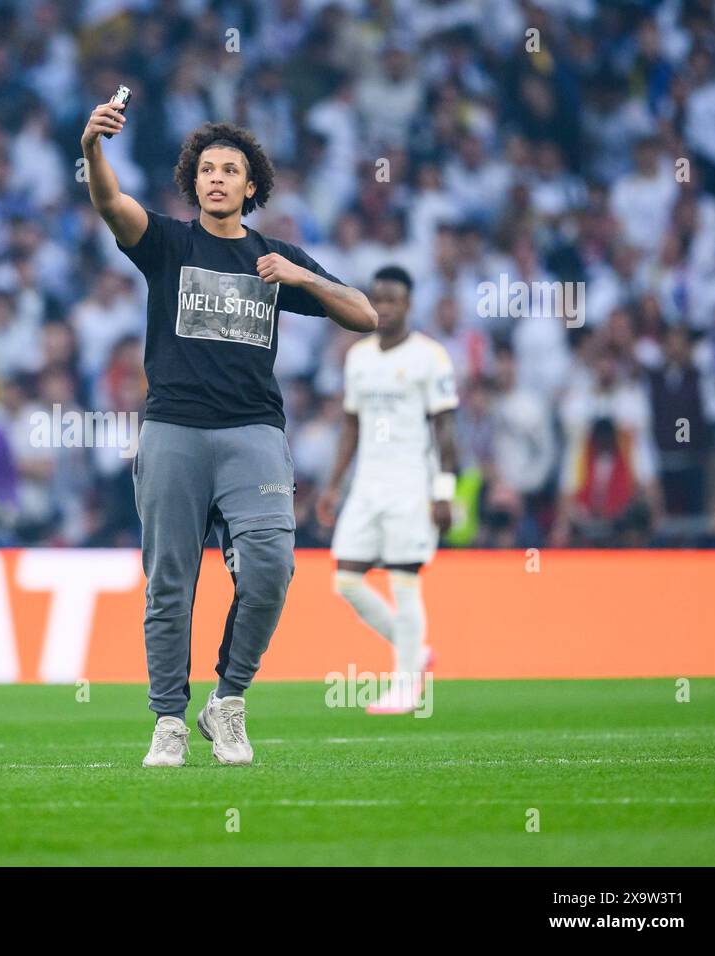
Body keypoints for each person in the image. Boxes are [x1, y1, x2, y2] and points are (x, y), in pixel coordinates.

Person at [81, 103, 377, 766]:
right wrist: (93, 149)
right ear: (195, 182)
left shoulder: (274, 258)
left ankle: (229, 701)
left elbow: (365, 314)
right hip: (174, 432)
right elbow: (108, 203)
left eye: (231, 170)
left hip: (253, 434)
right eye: (207, 169)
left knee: (271, 568)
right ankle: (167, 720)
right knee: (170, 582)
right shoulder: (167, 244)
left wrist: (302, 277)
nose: (217, 178)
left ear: (251, 187)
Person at [317, 266, 457, 714]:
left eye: (394, 299)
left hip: (411, 483)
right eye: (378, 299)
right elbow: (351, 425)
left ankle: (405, 685)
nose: (385, 307)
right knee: (346, 580)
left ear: (410, 304)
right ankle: (413, 651)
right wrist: (334, 484)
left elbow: (446, 430)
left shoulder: (429, 357)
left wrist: (443, 490)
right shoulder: (358, 356)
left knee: (404, 579)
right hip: (367, 483)